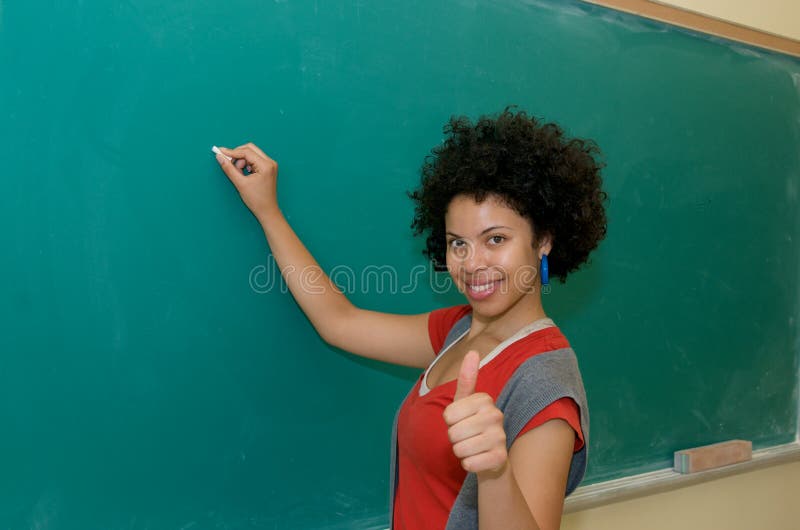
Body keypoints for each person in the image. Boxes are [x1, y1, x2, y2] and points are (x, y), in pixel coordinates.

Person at [215, 107, 608, 530]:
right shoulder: (459, 329)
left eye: (495, 239)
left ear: (544, 240)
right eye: (458, 243)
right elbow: (340, 322)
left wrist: (494, 471)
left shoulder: (544, 386)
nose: (472, 263)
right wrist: (268, 211)